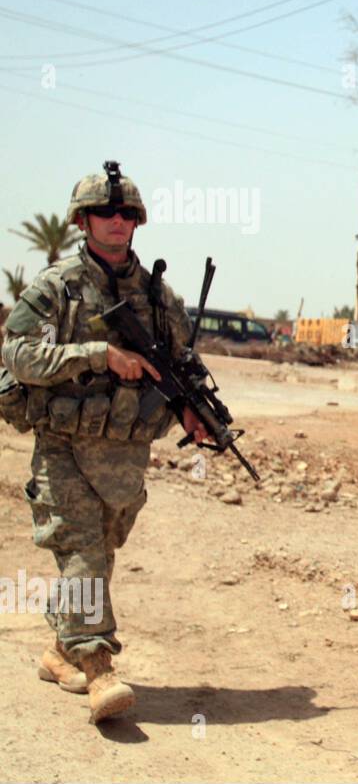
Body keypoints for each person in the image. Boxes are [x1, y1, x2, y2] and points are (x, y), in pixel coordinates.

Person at [0, 161, 208, 724]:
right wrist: (97, 355)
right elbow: (18, 356)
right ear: (83, 221)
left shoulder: (159, 296)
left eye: (124, 213)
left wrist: (194, 411)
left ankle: (59, 649)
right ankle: (99, 670)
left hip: (123, 452)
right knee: (83, 552)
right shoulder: (54, 289)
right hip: (63, 446)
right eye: (103, 212)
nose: (115, 221)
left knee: (99, 556)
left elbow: (182, 364)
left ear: (136, 222)